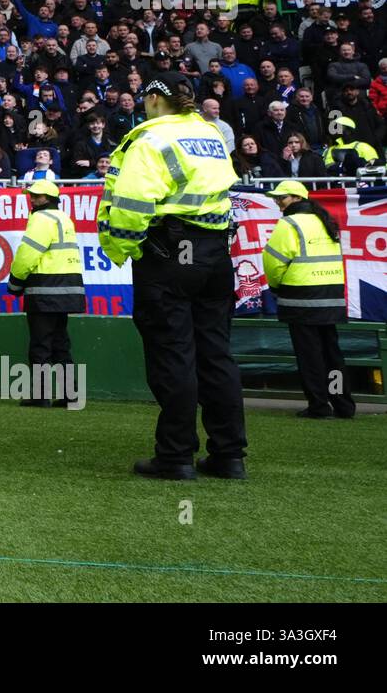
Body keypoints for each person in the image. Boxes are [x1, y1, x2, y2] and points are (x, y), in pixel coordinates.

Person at [98, 71, 247, 481]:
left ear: (152, 99)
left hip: (169, 253)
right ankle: (229, 454)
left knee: (173, 355)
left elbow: (130, 204)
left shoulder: (149, 139)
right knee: (216, 353)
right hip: (216, 253)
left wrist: (121, 248)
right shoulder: (211, 134)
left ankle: (176, 456)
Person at [262, 181, 355, 420]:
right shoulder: (324, 219)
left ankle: (319, 405)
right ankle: (343, 404)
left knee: (309, 355)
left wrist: (276, 286)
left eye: (281, 198)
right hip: (331, 295)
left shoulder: (289, 223)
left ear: (294, 198)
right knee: (332, 353)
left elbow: (273, 261)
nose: (277, 203)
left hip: (300, 296)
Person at [7, 180, 85, 407]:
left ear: (48, 198)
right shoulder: (64, 218)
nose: (31, 199)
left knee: (41, 345)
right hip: (67, 286)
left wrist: (15, 282)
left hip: (44, 287)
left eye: (37, 196)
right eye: (31, 195)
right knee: (61, 344)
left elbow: (27, 254)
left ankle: (40, 396)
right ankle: (70, 395)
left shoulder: (40, 219)